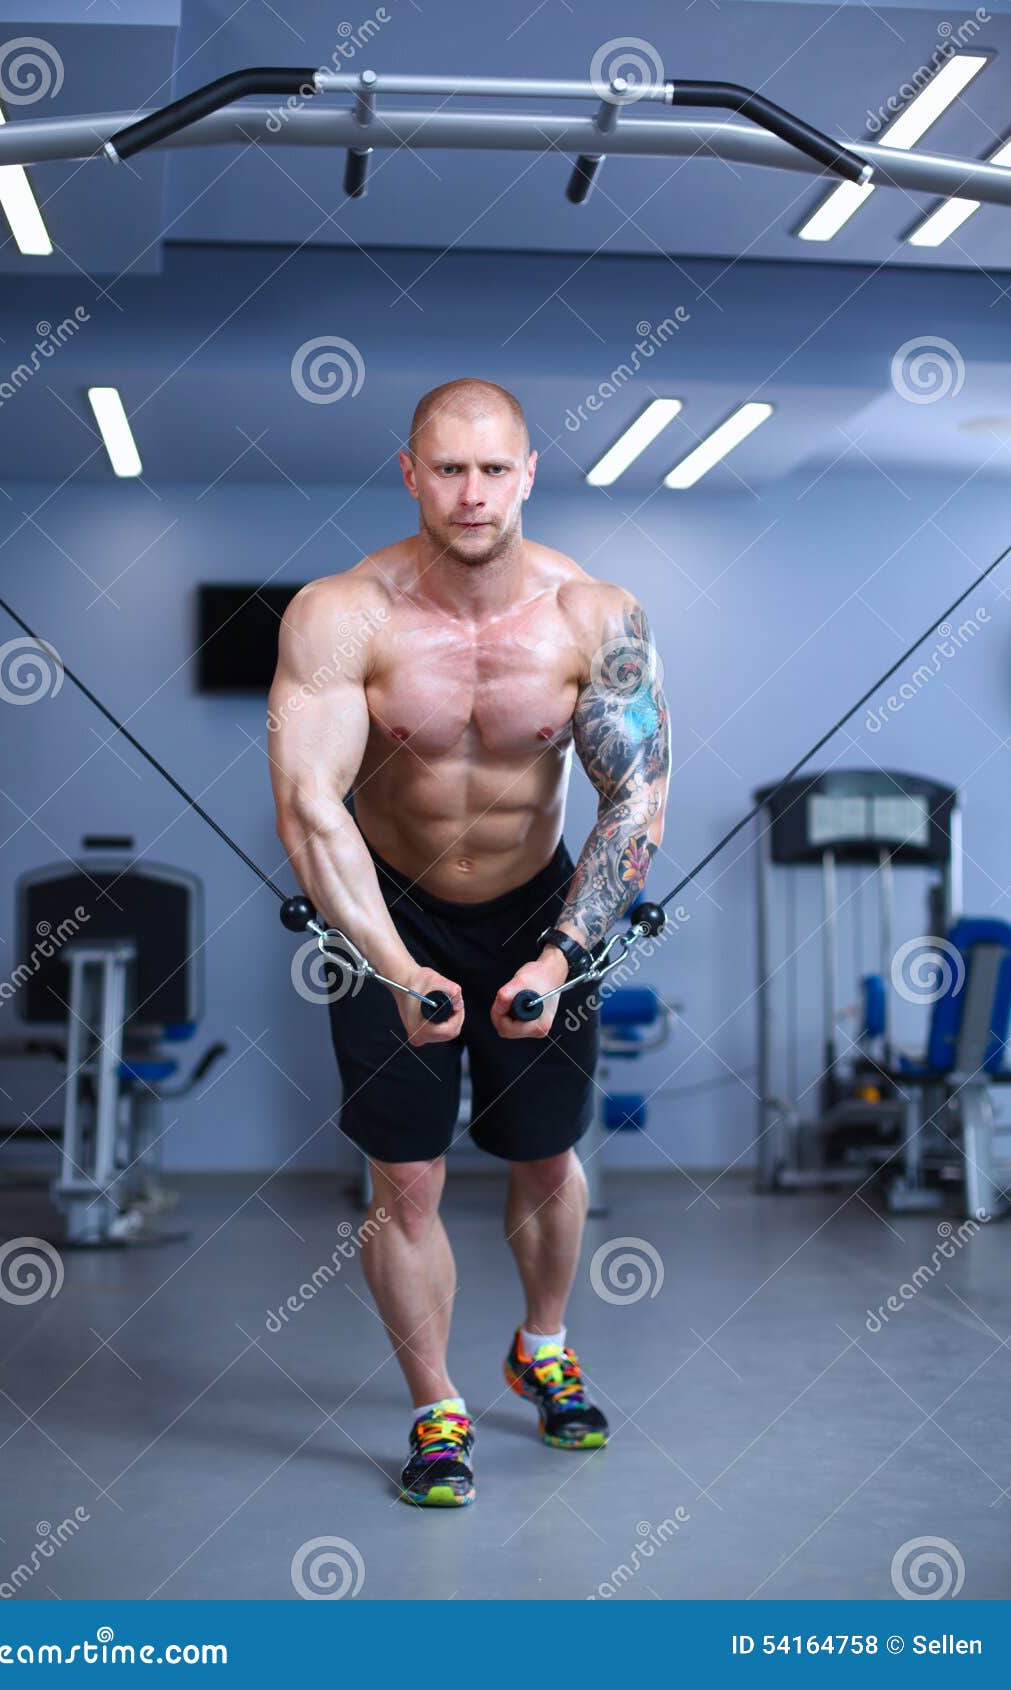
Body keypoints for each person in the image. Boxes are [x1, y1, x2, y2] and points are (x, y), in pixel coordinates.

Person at [267, 377, 671, 1507]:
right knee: (405, 1179)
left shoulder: (594, 616)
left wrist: (561, 955)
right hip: (387, 908)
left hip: (537, 907)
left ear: (529, 472)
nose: (472, 492)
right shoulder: (342, 614)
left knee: (545, 1156)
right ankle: (435, 1406)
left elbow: (633, 800)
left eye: (494, 468)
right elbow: (311, 805)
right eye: (448, 467)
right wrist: (395, 966)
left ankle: (540, 1342)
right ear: (409, 472)